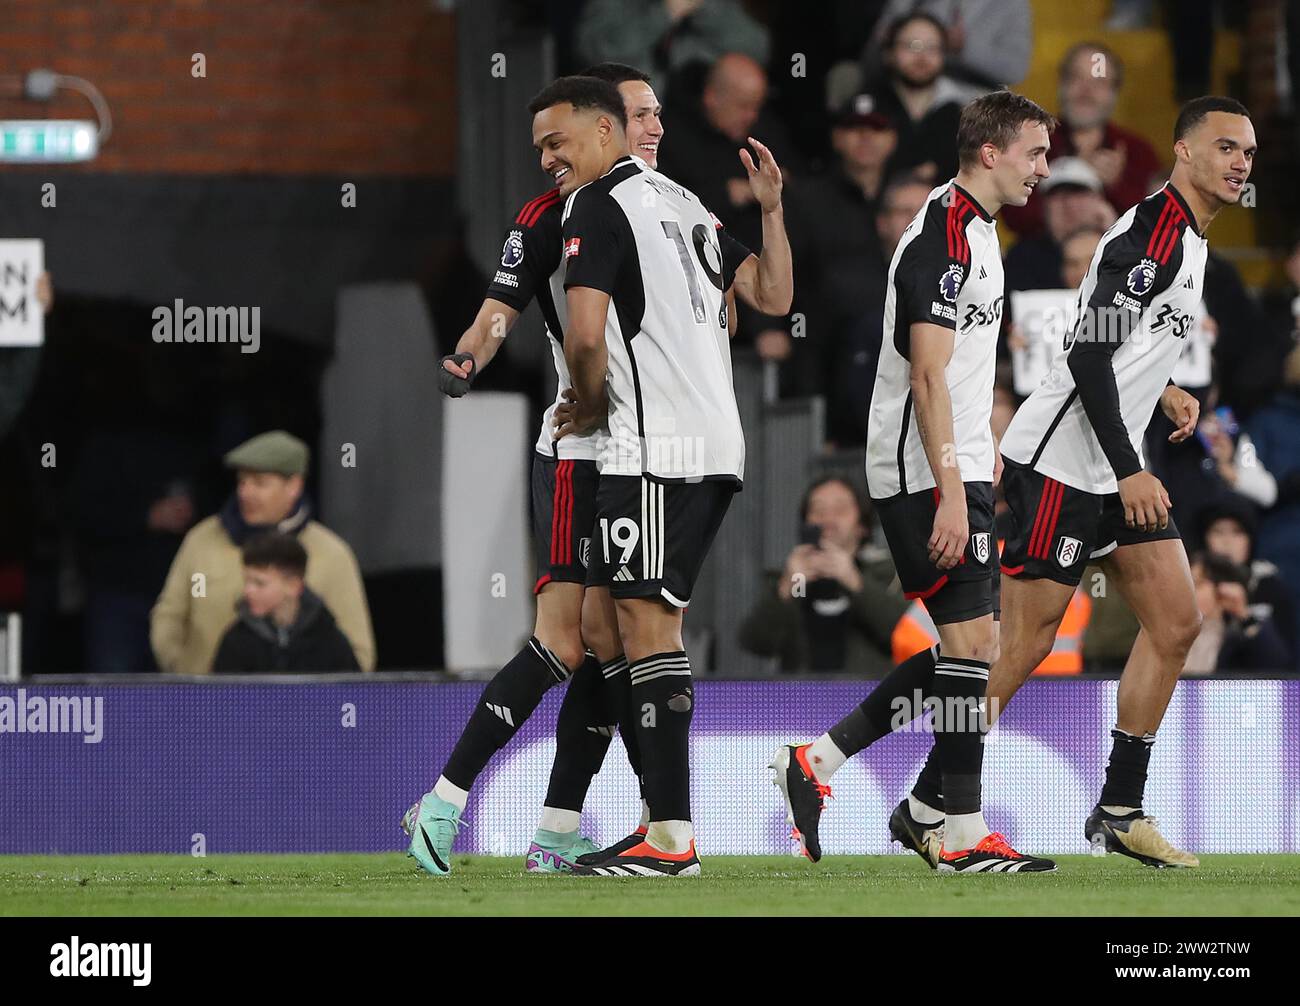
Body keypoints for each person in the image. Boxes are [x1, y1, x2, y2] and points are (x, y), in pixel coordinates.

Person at [403, 73, 790, 879]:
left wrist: (770, 212)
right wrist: (470, 356)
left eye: (655, 114)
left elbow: (768, 294)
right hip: (589, 448)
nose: (651, 125)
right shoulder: (560, 216)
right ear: (613, 123)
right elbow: (503, 305)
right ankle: (477, 805)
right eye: (639, 113)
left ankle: (584, 825)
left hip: (641, 446)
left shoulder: (673, 203)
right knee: (581, 639)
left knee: (610, 639)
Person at [772, 90, 1058, 873]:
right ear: (991, 152)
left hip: (954, 459)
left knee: (973, 646)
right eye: (1034, 152)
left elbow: (958, 373)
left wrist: (983, 449)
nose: (1044, 168)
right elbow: (927, 378)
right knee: (971, 648)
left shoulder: (974, 229)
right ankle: (952, 831)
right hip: (921, 468)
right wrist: (950, 486)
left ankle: (823, 765)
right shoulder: (946, 238)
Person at [990, 97, 1257, 868]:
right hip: (1065, 464)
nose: (1242, 162)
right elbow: (1085, 355)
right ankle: (941, 798)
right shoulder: (1155, 235)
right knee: (1024, 645)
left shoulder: (1192, 238)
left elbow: (1126, 342)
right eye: (1226, 147)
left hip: (1107, 463)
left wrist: (1165, 387)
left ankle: (1118, 808)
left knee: (1177, 625)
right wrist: (1131, 465)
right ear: (1181, 149)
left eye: (1249, 152)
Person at [547, 69, 784, 877]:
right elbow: (776, 293)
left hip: (652, 450)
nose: (551, 158)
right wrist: (773, 211)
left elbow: (586, 335)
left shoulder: (596, 206)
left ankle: (671, 835)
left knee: (647, 629)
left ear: (603, 132)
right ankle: (652, 816)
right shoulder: (687, 203)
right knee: (612, 627)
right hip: (717, 447)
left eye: (559, 140)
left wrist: (584, 403)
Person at [149, 430, 375, 675]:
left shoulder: (331, 554)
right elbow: (169, 614)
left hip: (302, 709)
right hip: (204, 704)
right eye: (242, 482)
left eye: (260, 483)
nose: (245, 493)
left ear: (294, 486)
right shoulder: (202, 541)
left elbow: (358, 653)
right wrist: (183, 673)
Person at [739, 476, 908, 673]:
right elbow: (757, 643)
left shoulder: (890, 575)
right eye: (818, 511)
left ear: (862, 526)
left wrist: (855, 581)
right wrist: (791, 586)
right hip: (803, 699)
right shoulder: (795, 579)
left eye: (840, 510)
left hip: (871, 697)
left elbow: (909, 635)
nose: (828, 520)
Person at [1003, 41, 1163, 237]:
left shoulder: (1138, 151)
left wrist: (1117, 186)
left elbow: (1153, 225)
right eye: (1076, 78)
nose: (1086, 91)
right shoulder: (1028, 144)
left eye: (1099, 82)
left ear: (1115, 93)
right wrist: (1071, 172)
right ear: (1061, 84)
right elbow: (1014, 216)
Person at [212, 532, 359, 673]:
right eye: (247, 581)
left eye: (259, 583)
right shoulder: (235, 641)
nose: (248, 591)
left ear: (293, 586)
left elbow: (352, 695)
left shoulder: (331, 642)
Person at [865, 12, 982, 185]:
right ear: (889, 53)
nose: (922, 57)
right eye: (911, 46)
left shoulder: (965, 114)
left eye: (932, 47)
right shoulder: (867, 109)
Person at [574, 0, 769, 101]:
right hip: (633, 119)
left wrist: (702, 9)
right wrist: (666, 12)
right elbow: (601, 49)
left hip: (696, 117)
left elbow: (756, 47)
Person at [1198, 498, 1296, 662]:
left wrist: (1246, 617)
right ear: (1205, 538)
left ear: (1250, 540)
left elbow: (1283, 666)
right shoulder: (1193, 585)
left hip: (1253, 684)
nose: (1227, 542)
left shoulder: (1270, 588)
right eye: (1218, 531)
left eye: (1237, 532)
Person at [1003, 157, 1116, 293]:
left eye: (1078, 193)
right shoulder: (1022, 260)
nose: (1069, 205)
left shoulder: (1124, 250)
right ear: (1044, 208)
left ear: (1100, 201)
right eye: (1057, 196)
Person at [1185, 552, 1291, 674]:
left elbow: (1277, 667)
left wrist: (1244, 616)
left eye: (1198, 584)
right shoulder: (1172, 631)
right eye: (1187, 583)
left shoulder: (1238, 635)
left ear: (1222, 589)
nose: (1188, 591)